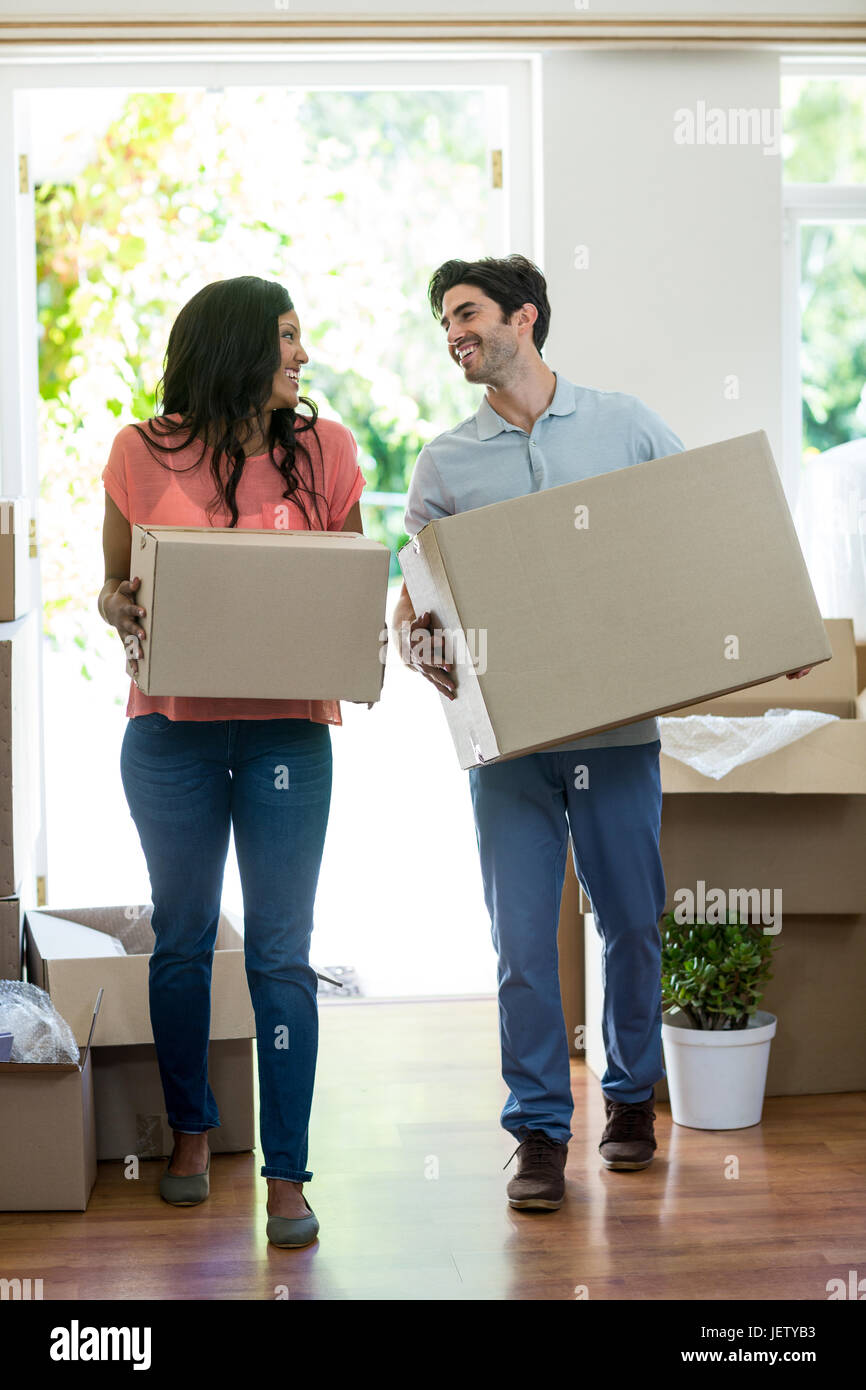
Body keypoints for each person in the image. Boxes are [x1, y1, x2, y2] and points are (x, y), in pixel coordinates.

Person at [391, 253, 813, 1211]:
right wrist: (414, 639)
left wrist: (772, 620)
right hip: (510, 750)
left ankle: (628, 1102)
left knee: (629, 920)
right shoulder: (445, 463)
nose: (454, 334)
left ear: (525, 317)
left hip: (619, 734)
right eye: (444, 324)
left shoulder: (623, 425)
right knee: (522, 943)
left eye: (468, 314)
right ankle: (539, 1132)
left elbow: (710, 525)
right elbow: (411, 595)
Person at [98, 275, 367, 1248]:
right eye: (286, 340)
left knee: (279, 953)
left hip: (286, 736)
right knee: (179, 939)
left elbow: (347, 590)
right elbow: (111, 585)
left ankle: (286, 1172)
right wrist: (120, 607)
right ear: (235, 348)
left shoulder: (328, 452)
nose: (300, 356)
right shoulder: (141, 451)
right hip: (170, 731)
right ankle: (188, 1131)